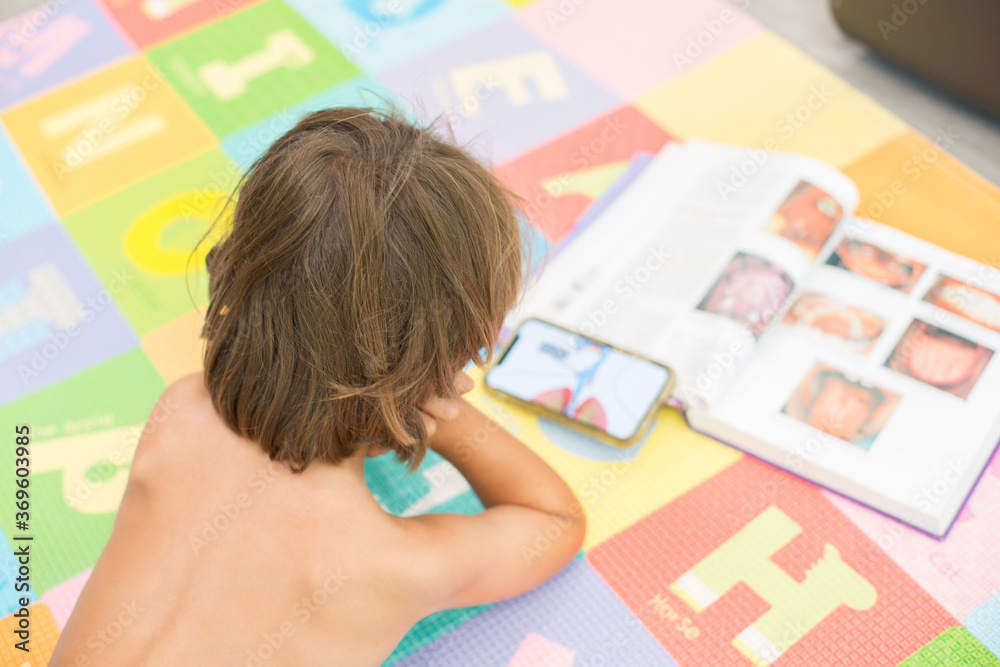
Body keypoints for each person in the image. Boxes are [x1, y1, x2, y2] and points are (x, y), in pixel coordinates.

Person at [50, 108, 586, 666]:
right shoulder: (389, 563)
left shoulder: (178, 415)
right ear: (445, 367)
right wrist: (429, 402)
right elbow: (554, 521)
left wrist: (400, 384)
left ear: (237, 269)